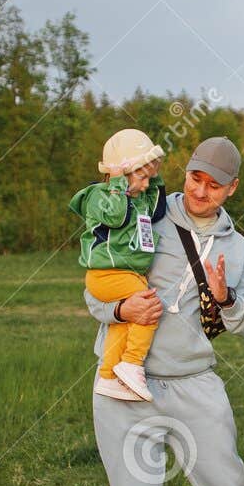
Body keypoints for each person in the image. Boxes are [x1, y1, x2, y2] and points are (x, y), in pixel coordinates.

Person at [83, 137, 244, 486]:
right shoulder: (146, 212)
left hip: (194, 383)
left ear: (232, 189)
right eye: (195, 179)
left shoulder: (239, 248)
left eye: (214, 185)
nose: (201, 191)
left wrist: (226, 298)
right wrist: (121, 307)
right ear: (185, 173)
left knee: (229, 485)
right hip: (124, 383)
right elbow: (95, 287)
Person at [68, 128, 167, 402]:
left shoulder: (140, 197)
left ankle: (109, 376)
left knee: (125, 322)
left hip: (123, 274)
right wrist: (118, 183)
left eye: (151, 177)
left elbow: (159, 208)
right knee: (148, 305)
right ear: (120, 174)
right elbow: (115, 217)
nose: (147, 184)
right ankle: (133, 362)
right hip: (106, 274)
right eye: (142, 177)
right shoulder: (100, 196)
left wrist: (152, 175)